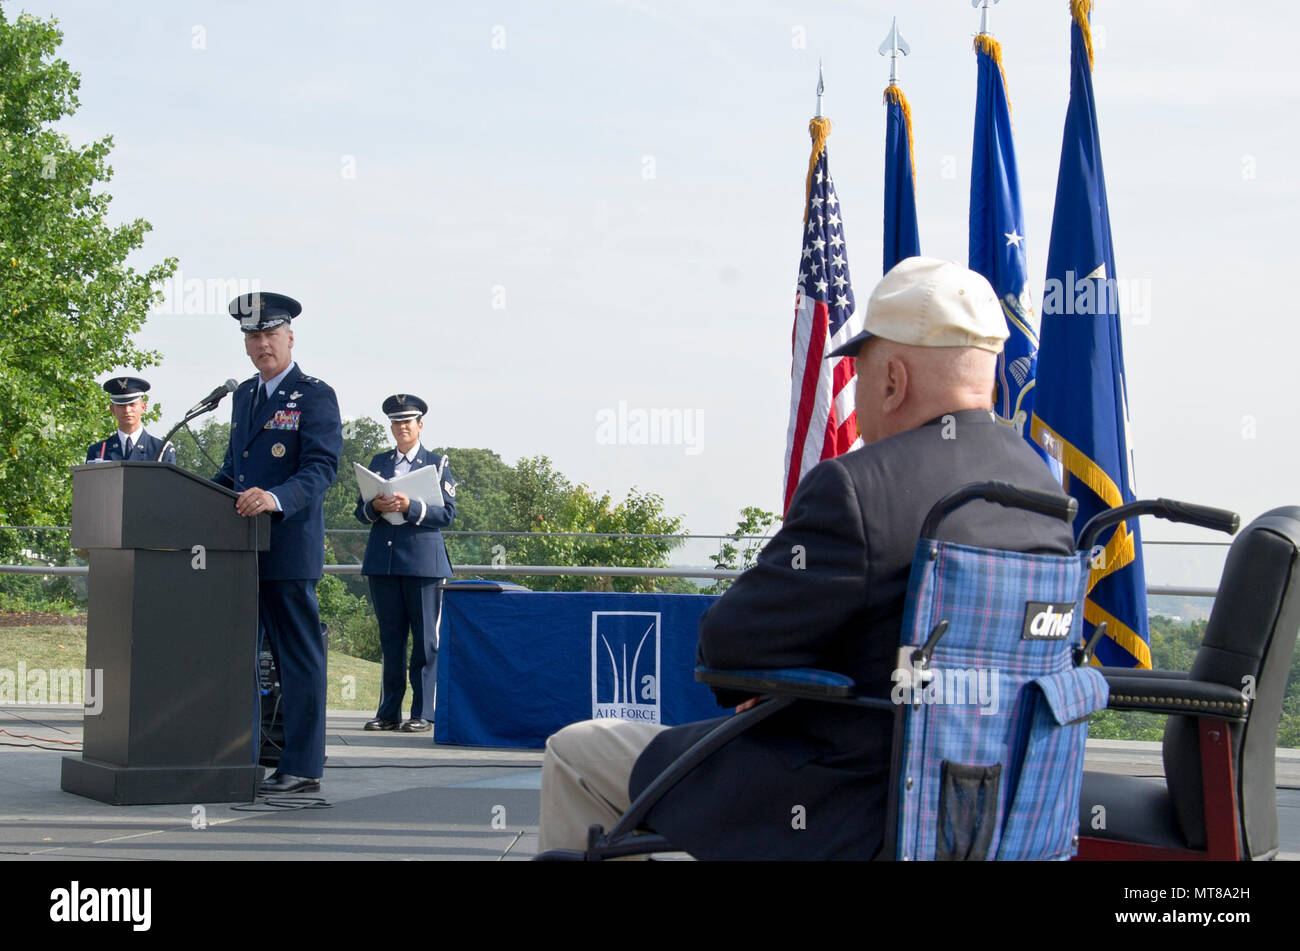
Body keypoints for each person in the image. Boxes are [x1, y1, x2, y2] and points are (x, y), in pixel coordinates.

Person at [538, 257, 1077, 859]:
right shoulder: (1047, 499)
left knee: (577, 751)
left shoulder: (858, 488)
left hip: (845, 803)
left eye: (861, 376)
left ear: (894, 380)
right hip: (987, 815)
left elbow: (729, 647)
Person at [213, 292, 342, 794]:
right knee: (239, 657)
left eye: (270, 334)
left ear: (291, 337)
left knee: (298, 659)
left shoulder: (314, 395)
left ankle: (303, 765)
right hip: (240, 553)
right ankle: (240, 760)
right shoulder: (245, 395)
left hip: (287, 549)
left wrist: (274, 497)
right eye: (253, 336)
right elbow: (233, 470)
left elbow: (320, 468)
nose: (262, 343)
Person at [354, 394, 457, 733]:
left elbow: (448, 514)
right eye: (396, 422)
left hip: (424, 564)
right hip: (383, 562)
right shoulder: (379, 461)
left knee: (426, 641)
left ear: (420, 425)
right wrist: (378, 507)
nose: (402, 428)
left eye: (407, 422)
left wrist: (410, 506)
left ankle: (423, 712)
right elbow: (361, 510)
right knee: (391, 639)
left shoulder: (437, 464)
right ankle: (387, 712)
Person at [85, 376, 176, 464]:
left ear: (143, 407)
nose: (127, 410)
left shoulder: (161, 450)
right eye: (121, 405)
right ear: (112, 409)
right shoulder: (98, 451)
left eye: (132, 404)